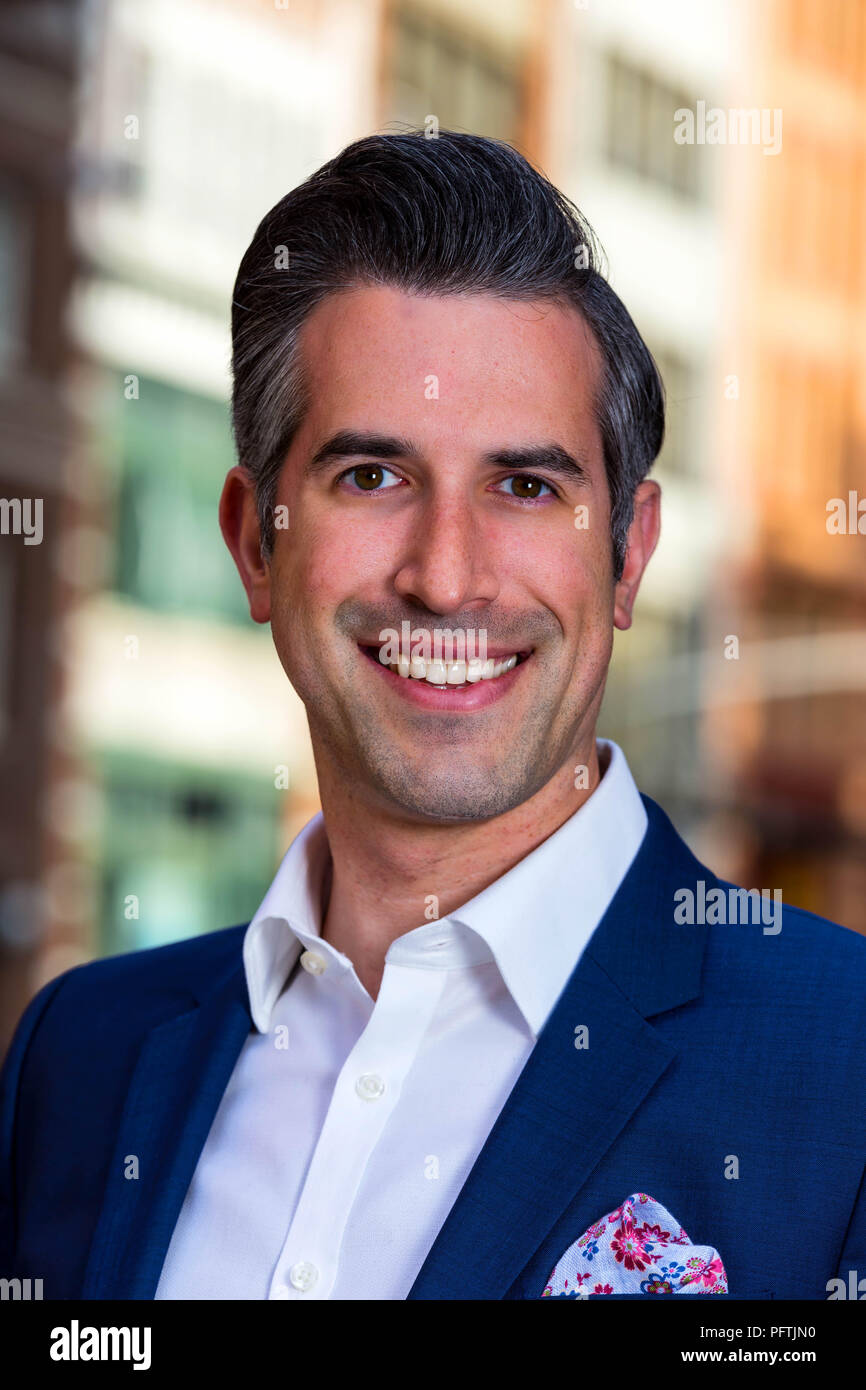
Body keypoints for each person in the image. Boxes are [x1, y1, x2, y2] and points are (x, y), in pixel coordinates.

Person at [1, 131, 864, 1302]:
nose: (446, 577)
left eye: (523, 486)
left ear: (626, 558)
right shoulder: (77, 1059)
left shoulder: (842, 1067)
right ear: (255, 542)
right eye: (371, 477)